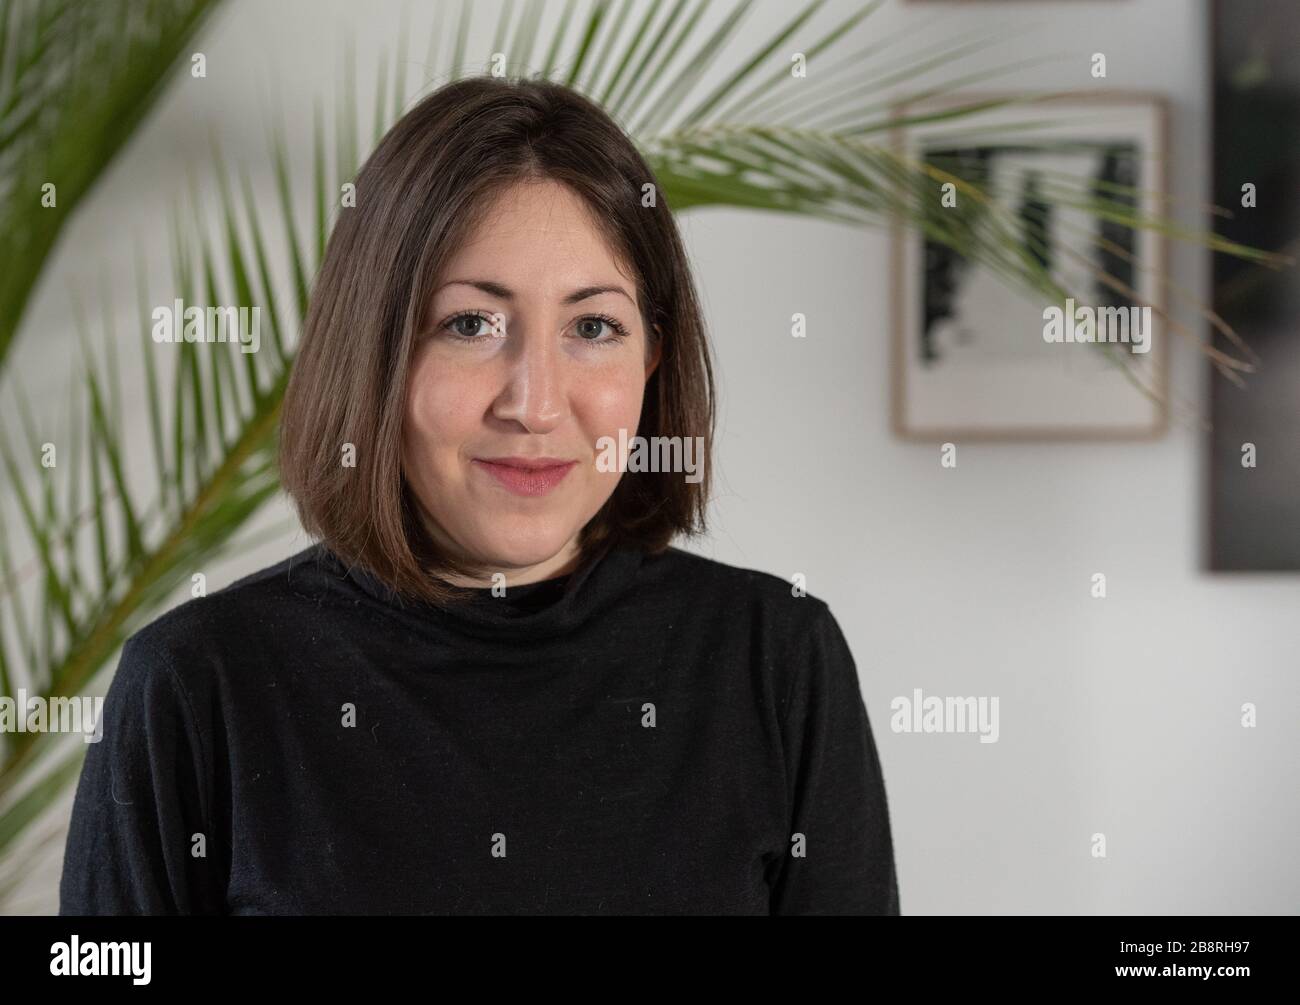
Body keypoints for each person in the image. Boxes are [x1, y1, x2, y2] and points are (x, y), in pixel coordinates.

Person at [58, 74, 899, 915]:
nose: (534, 403)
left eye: (593, 327)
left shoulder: (778, 663)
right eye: (470, 324)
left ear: (650, 358)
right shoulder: (196, 685)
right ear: (375, 350)